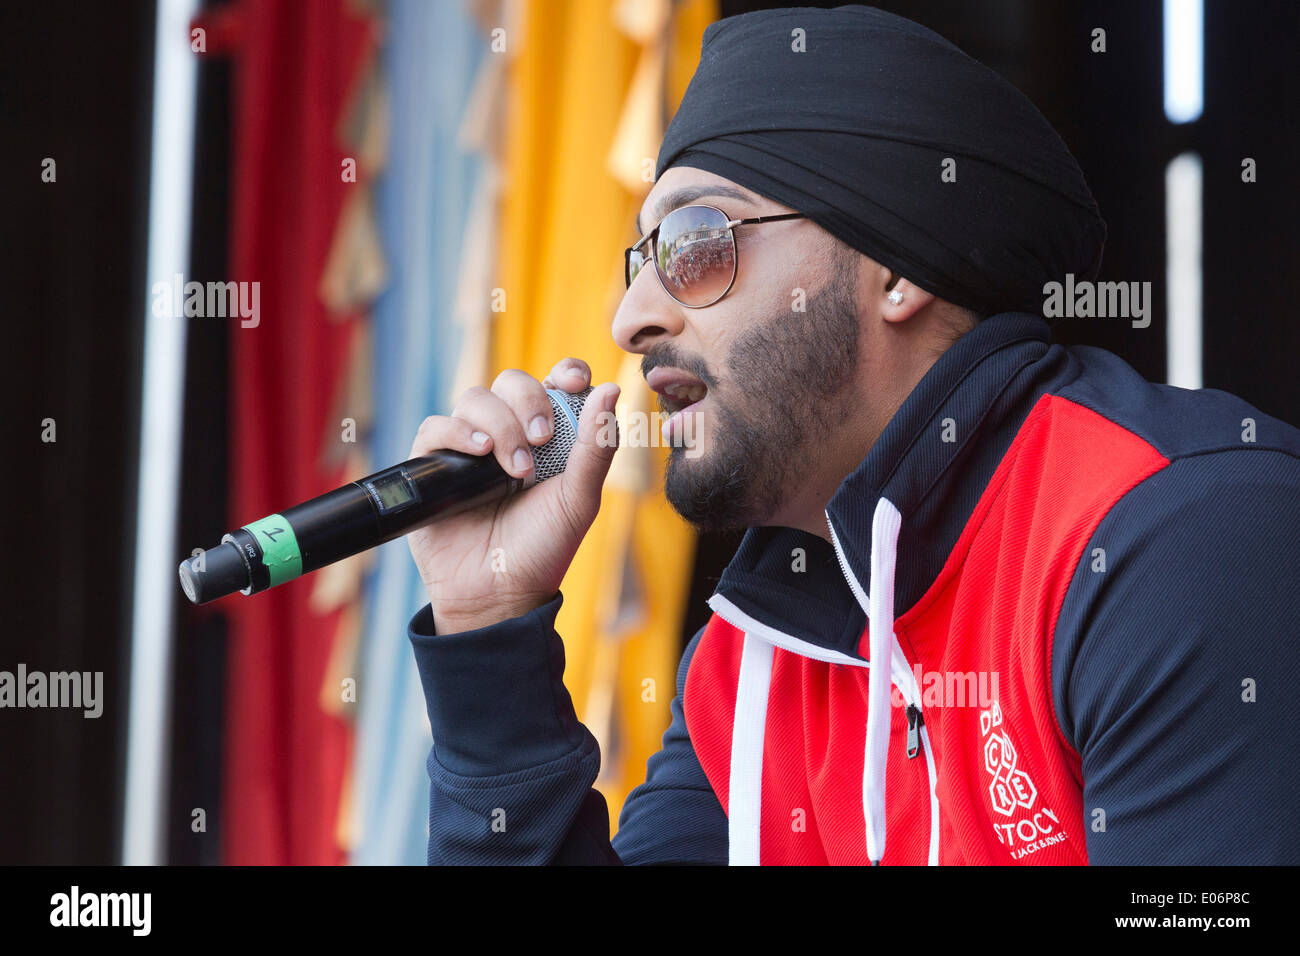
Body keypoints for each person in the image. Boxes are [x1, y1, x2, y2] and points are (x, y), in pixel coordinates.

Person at [403, 5, 1300, 864]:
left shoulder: (1182, 537)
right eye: (642, 261)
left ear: (897, 271)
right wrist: (490, 632)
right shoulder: (756, 648)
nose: (632, 317)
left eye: (694, 242)